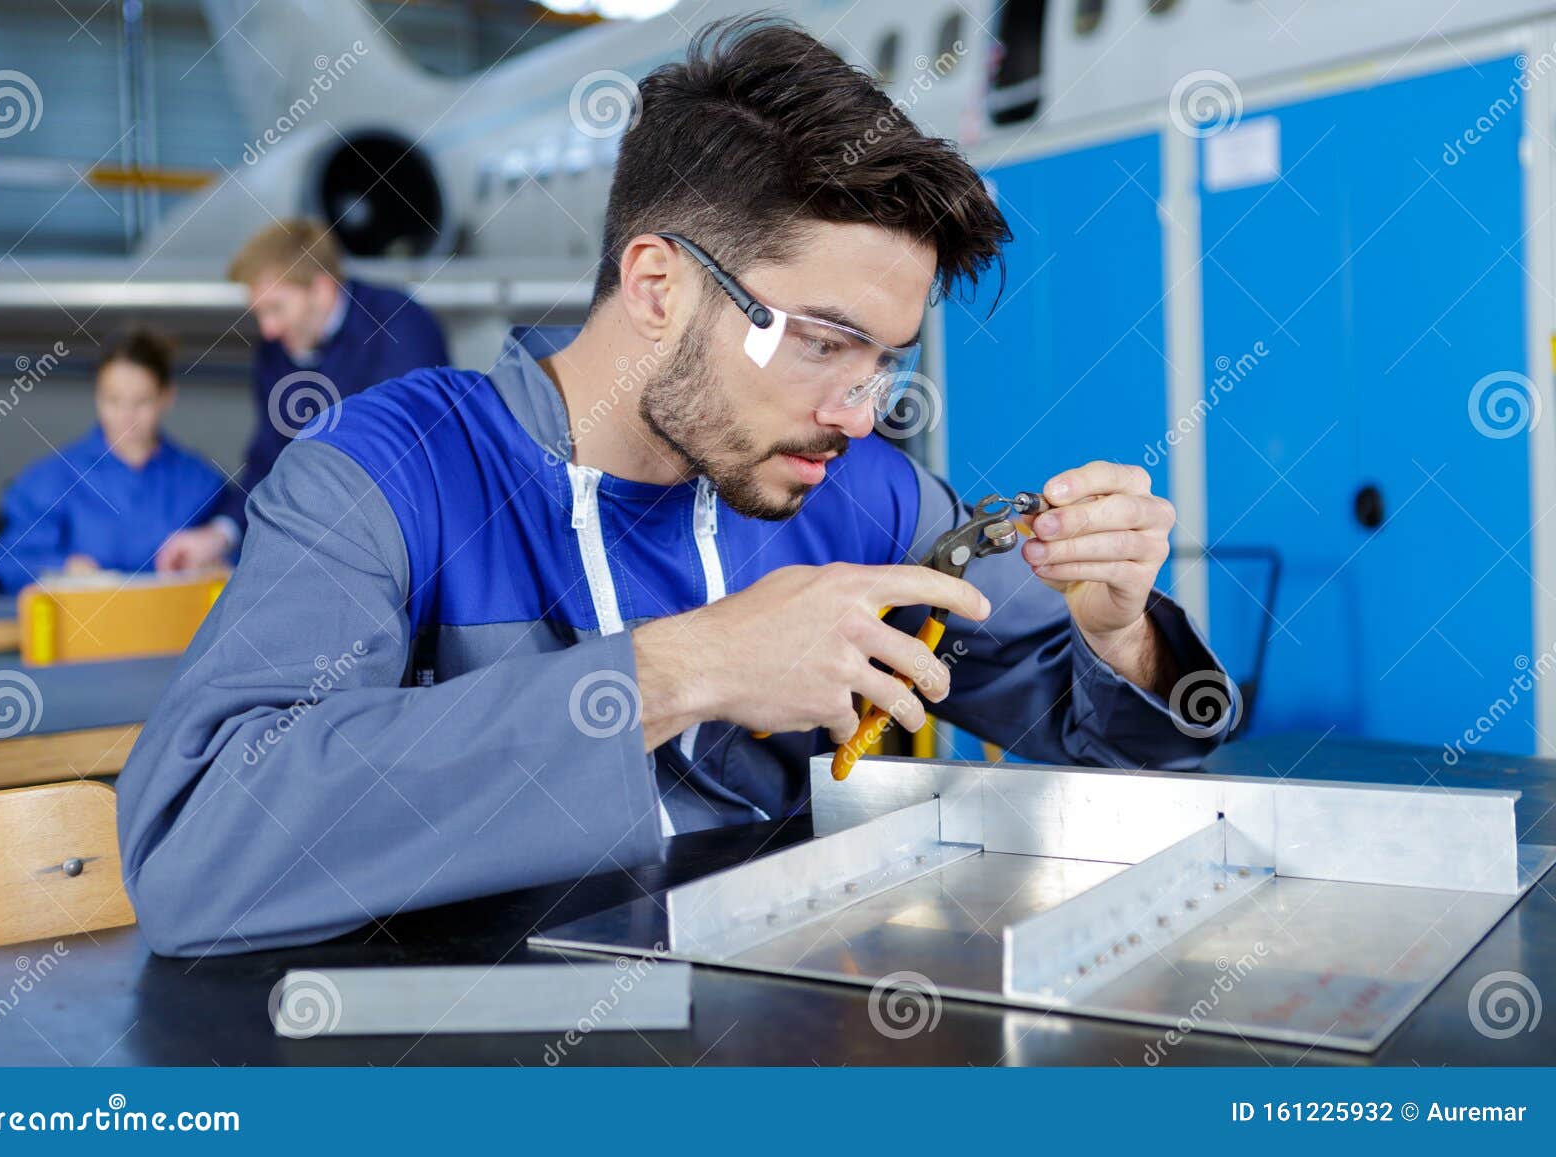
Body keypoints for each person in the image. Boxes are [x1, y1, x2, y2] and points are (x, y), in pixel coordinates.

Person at [118, 19, 1237, 958]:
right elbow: (195, 854)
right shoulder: (390, 478)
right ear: (657, 285)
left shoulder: (867, 498)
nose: (862, 409)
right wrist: (683, 666)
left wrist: (1121, 633)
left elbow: (1124, 740)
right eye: (823, 343)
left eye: (885, 359)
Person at [153, 218, 448, 571]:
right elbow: (271, 459)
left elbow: (408, 452)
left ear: (322, 291)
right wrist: (219, 534)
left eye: (276, 308)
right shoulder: (274, 351)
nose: (268, 328)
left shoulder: (400, 325)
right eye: (260, 313)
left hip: (416, 547)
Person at [0, 329, 229, 594]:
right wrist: (62, 567)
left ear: (166, 397)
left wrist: (215, 560)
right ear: (96, 396)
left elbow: (243, 557)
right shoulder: (52, 480)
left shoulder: (200, 482)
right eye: (113, 400)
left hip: (180, 633)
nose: (126, 416)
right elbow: (6, 562)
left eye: (141, 401)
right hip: (81, 631)